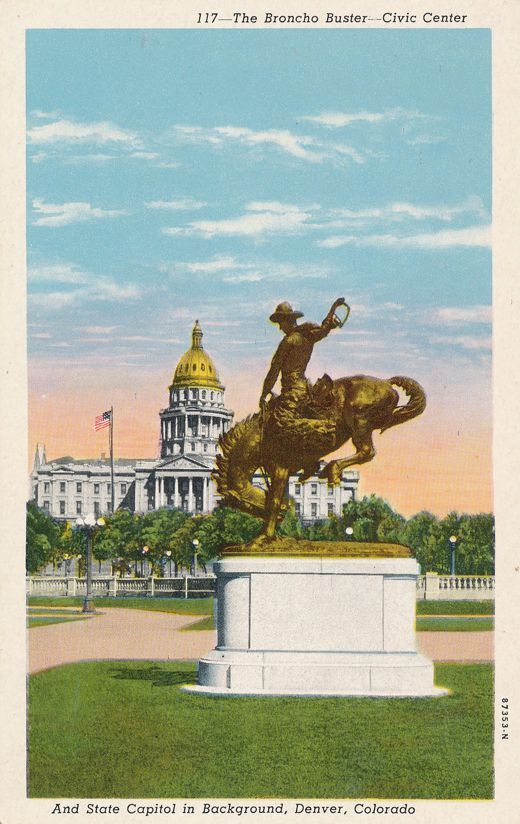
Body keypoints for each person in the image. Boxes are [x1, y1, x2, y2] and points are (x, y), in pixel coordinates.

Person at [259, 298, 348, 450]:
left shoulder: (288, 341)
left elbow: (274, 370)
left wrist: (264, 393)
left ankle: (324, 428)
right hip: (305, 388)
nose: (280, 328)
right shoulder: (308, 336)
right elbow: (325, 329)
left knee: (281, 423)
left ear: (288, 321)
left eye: (281, 323)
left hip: (293, 391)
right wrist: (332, 309)